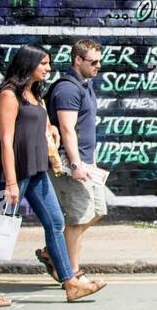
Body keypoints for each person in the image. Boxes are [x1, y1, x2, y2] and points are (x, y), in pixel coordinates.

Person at [0, 44, 105, 306]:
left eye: (48, 64)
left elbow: (40, 123)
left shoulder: (34, 94)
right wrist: (10, 182)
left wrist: (51, 128)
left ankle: (70, 283)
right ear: (28, 64)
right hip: (16, 172)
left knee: (54, 223)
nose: (48, 68)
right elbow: (6, 141)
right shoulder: (9, 94)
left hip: (37, 170)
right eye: (43, 64)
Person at [42, 38, 111, 280]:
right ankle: (72, 273)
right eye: (93, 62)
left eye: (100, 61)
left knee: (98, 209)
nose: (98, 66)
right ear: (77, 60)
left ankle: (53, 253)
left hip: (86, 162)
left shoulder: (85, 84)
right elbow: (66, 128)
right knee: (77, 217)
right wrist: (75, 164)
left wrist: (91, 160)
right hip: (70, 163)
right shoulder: (68, 88)